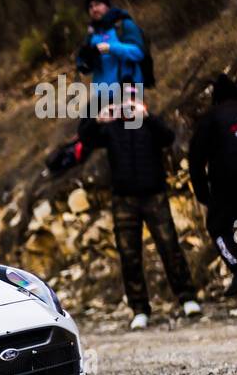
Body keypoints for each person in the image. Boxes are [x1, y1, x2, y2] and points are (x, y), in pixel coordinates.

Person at [76, 99, 201, 329]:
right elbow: (85, 140)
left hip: (155, 195)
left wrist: (148, 115)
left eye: (130, 104)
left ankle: (188, 298)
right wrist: (96, 120)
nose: (126, 110)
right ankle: (139, 309)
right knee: (129, 255)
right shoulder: (110, 128)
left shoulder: (148, 123)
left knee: (170, 247)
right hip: (124, 199)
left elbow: (168, 138)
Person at [188, 74, 237, 302]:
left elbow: (196, 159)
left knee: (218, 228)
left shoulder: (211, 117)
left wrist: (203, 193)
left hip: (226, 185)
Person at [75, 0, 148, 104]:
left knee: (135, 122)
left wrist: (111, 48)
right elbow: (85, 67)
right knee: (87, 121)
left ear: (106, 5)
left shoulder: (124, 25)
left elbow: (138, 53)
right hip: (102, 98)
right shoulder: (92, 34)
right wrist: (85, 61)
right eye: (90, 6)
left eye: (97, 4)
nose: (94, 9)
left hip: (129, 92)